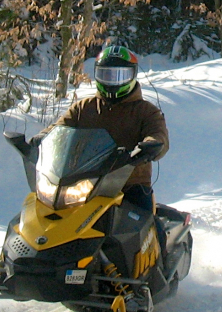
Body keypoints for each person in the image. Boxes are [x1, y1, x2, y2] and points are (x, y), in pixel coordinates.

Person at [49, 44, 168, 211]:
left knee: (143, 220)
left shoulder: (146, 111)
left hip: (129, 184)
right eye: (106, 75)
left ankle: (158, 235)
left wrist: (150, 146)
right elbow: (59, 128)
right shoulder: (83, 108)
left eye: (119, 76)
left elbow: (158, 134)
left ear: (132, 75)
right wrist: (40, 140)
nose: (113, 81)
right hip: (82, 183)